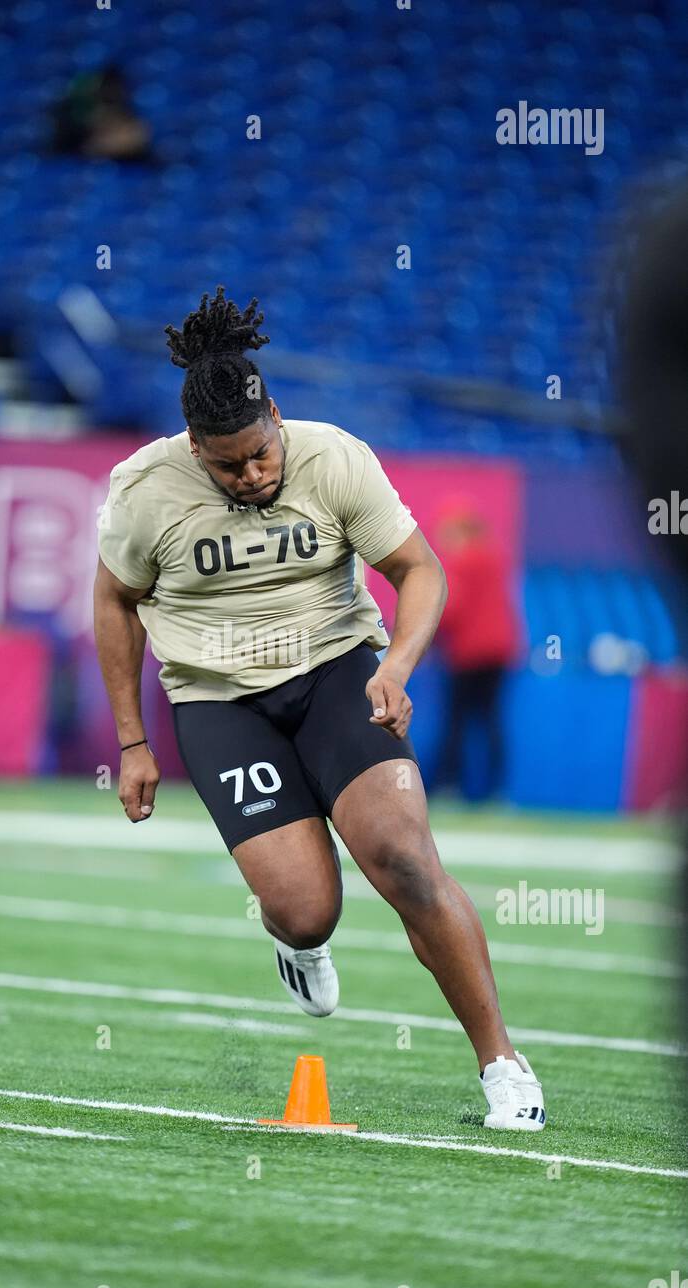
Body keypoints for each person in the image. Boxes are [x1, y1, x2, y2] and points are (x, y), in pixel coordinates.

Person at [93, 287, 545, 1130]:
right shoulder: (144, 489)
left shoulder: (333, 457)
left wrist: (398, 666)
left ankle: (503, 1064)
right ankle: (297, 944)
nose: (252, 476)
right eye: (228, 466)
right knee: (307, 909)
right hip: (220, 698)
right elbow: (114, 602)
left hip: (337, 670)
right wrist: (132, 741)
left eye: (261, 455)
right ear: (195, 447)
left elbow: (419, 569)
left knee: (404, 859)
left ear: (276, 414)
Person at [434, 499, 521, 800]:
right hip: (500, 652)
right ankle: (497, 791)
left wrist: (421, 634)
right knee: (491, 720)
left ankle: (450, 786)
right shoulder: (496, 558)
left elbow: (451, 608)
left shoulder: (460, 562)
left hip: (468, 653)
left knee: (455, 721)